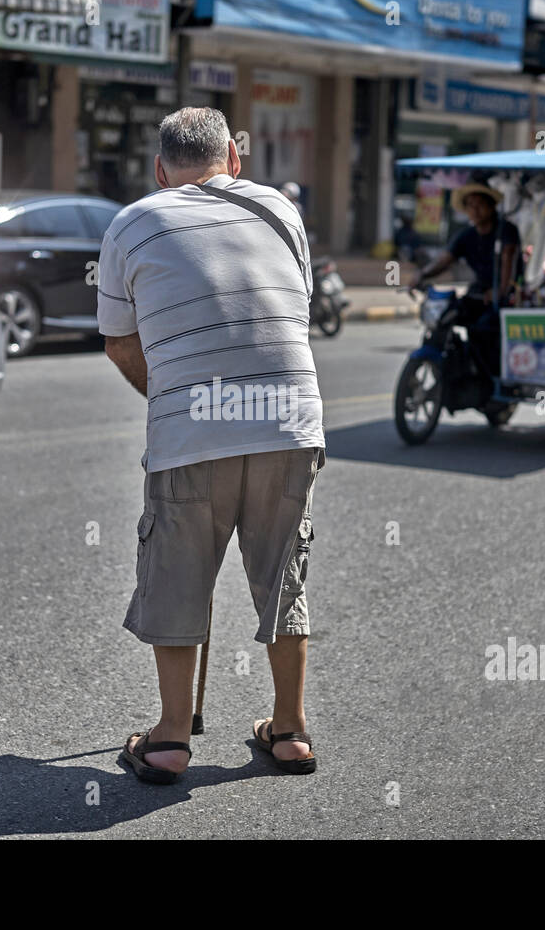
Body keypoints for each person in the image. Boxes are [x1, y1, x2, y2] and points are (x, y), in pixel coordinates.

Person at [98, 107, 326, 783]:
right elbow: (292, 312)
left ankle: (170, 739)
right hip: (289, 418)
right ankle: (290, 730)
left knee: (178, 574)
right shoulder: (281, 209)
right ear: (234, 158)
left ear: (160, 169)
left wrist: (178, 397)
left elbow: (119, 342)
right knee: (283, 572)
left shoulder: (132, 222)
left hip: (194, 426)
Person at [411, 183, 518, 375]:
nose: (475, 210)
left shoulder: (506, 231)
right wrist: (422, 274)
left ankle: (488, 376)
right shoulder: (467, 235)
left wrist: (500, 291)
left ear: (491, 206)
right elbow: (444, 260)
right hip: (478, 293)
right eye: (470, 205)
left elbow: (507, 262)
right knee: (446, 317)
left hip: (505, 297)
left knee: (483, 328)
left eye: (480, 204)